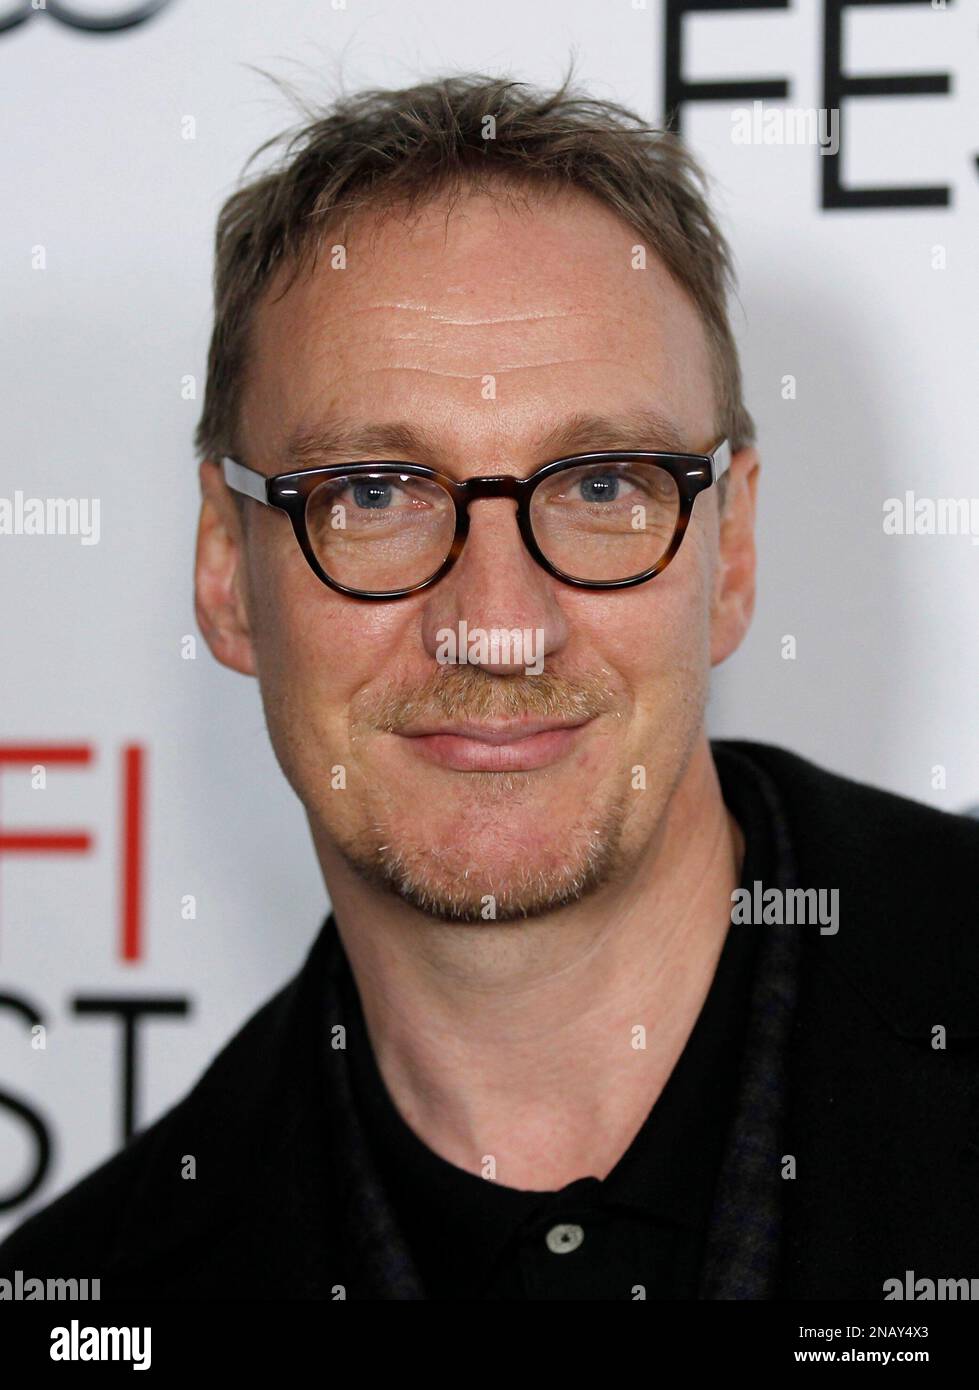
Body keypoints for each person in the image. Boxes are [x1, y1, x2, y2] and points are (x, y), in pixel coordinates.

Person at [2, 73, 977, 1302]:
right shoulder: (93, 1302)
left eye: (601, 485)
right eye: (370, 495)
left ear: (728, 553)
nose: (497, 626)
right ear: (225, 570)